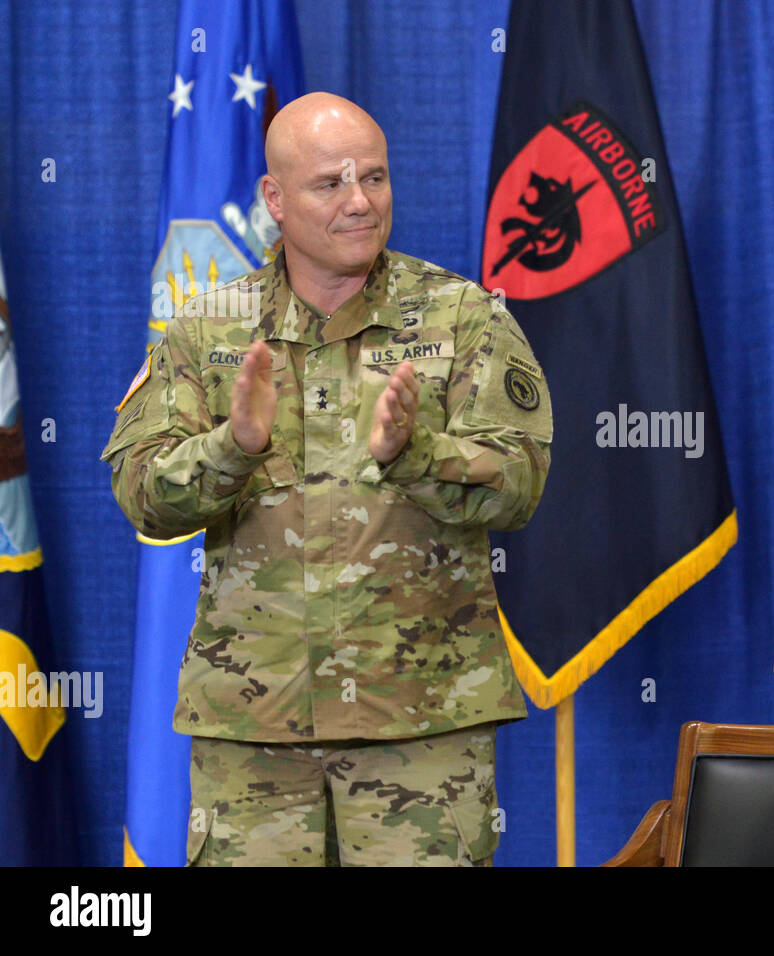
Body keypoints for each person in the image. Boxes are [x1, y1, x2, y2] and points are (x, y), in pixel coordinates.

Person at [101, 92, 552, 866]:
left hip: (420, 727)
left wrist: (416, 453)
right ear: (274, 198)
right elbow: (141, 492)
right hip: (255, 734)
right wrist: (232, 447)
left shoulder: (462, 319)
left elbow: (520, 483)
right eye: (331, 185)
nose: (360, 203)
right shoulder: (208, 330)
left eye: (374, 179)